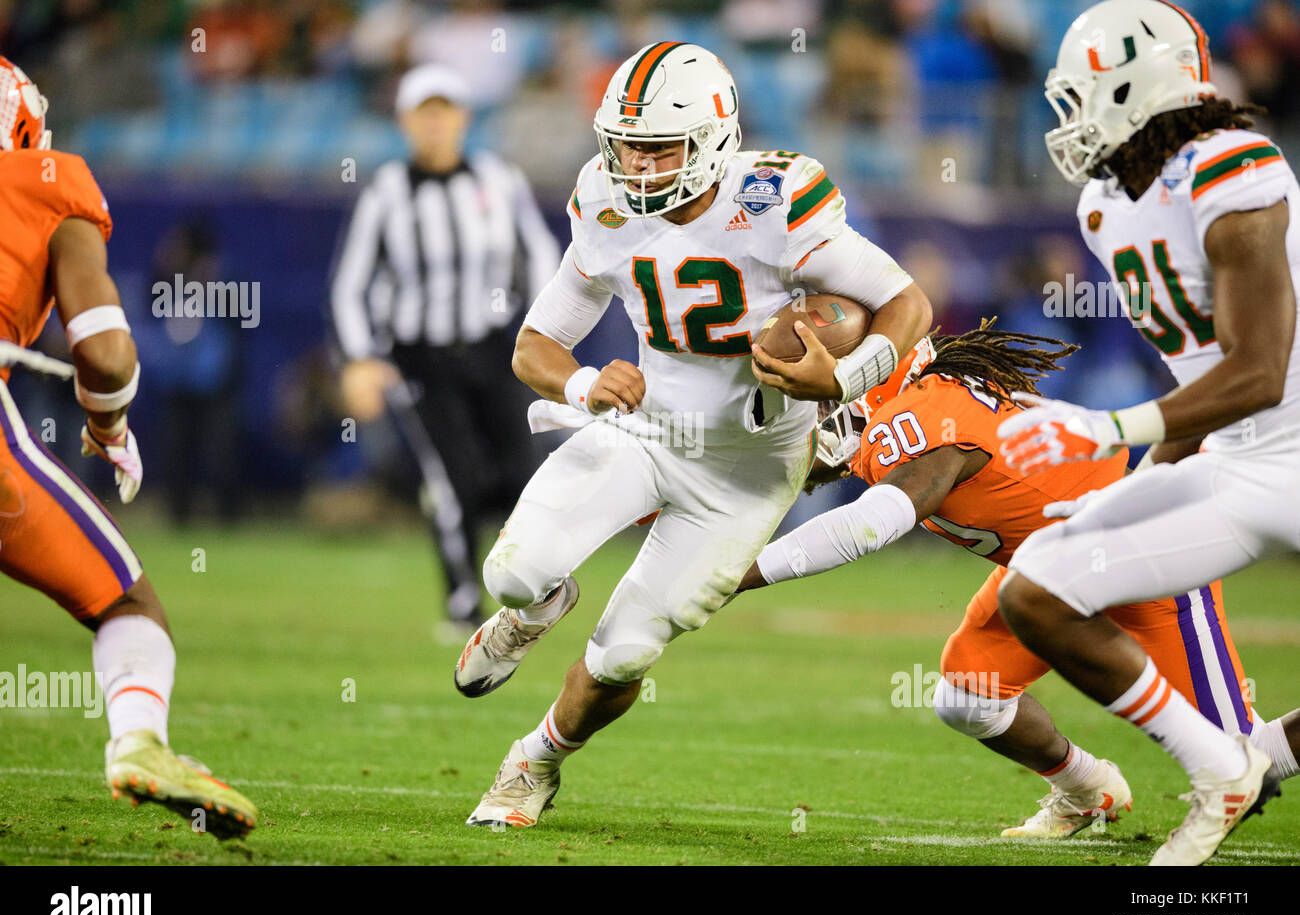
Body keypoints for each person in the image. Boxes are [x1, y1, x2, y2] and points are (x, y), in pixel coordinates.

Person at [454, 41, 932, 827]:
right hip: (645, 430)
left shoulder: (776, 198)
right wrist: (583, 382)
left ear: (712, 139)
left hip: (750, 470)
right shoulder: (603, 205)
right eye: (626, 145)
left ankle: (532, 762)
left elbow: (904, 303)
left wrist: (844, 380)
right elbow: (534, 346)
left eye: (658, 148)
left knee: (626, 656)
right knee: (510, 575)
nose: (637, 167)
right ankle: (536, 607)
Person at [735, 322, 1299, 836]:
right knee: (968, 699)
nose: (806, 418)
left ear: (869, 382)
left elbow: (869, 524)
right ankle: (1086, 789)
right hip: (1050, 574)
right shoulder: (918, 408)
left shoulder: (927, 409)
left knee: (1244, 764)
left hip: (1146, 560)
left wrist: (739, 573)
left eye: (809, 400)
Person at [994, 0, 1299, 865]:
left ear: (1140, 87)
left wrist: (1104, 429)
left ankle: (1267, 757)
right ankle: (1222, 767)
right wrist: (1135, 476)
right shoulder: (1105, 202)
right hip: (1241, 462)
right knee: (1038, 589)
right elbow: (1202, 379)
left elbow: (1258, 371)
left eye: (1083, 95)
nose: (1069, 120)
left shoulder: (1232, 170)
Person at [0, 57, 257, 837]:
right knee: (126, 600)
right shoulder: (46, 179)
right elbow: (107, 353)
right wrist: (108, 426)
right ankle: (138, 741)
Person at [330, 63, 560, 638]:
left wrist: (546, 334)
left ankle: (536, 594)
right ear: (406, 120)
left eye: (445, 110)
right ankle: (464, 606)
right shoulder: (386, 191)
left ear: (462, 117)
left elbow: (538, 258)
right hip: (421, 358)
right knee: (452, 475)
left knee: (527, 471)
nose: (435, 122)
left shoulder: (498, 179)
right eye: (423, 111)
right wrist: (361, 359)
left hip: (492, 346)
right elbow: (350, 284)